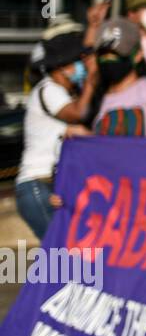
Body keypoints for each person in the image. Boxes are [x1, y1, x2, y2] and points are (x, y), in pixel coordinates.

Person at [16, 22, 99, 239]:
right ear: (62, 67)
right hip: (36, 185)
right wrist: (91, 79)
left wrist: (94, 24)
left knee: (65, 254)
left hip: (49, 185)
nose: (82, 66)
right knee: (62, 249)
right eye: (77, 62)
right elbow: (77, 114)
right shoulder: (49, 90)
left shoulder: (63, 91)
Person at [91, 18, 146, 138]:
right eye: (103, 54)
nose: (108, 59)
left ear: (138, 55)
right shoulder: (96, 94)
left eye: (116, 54)